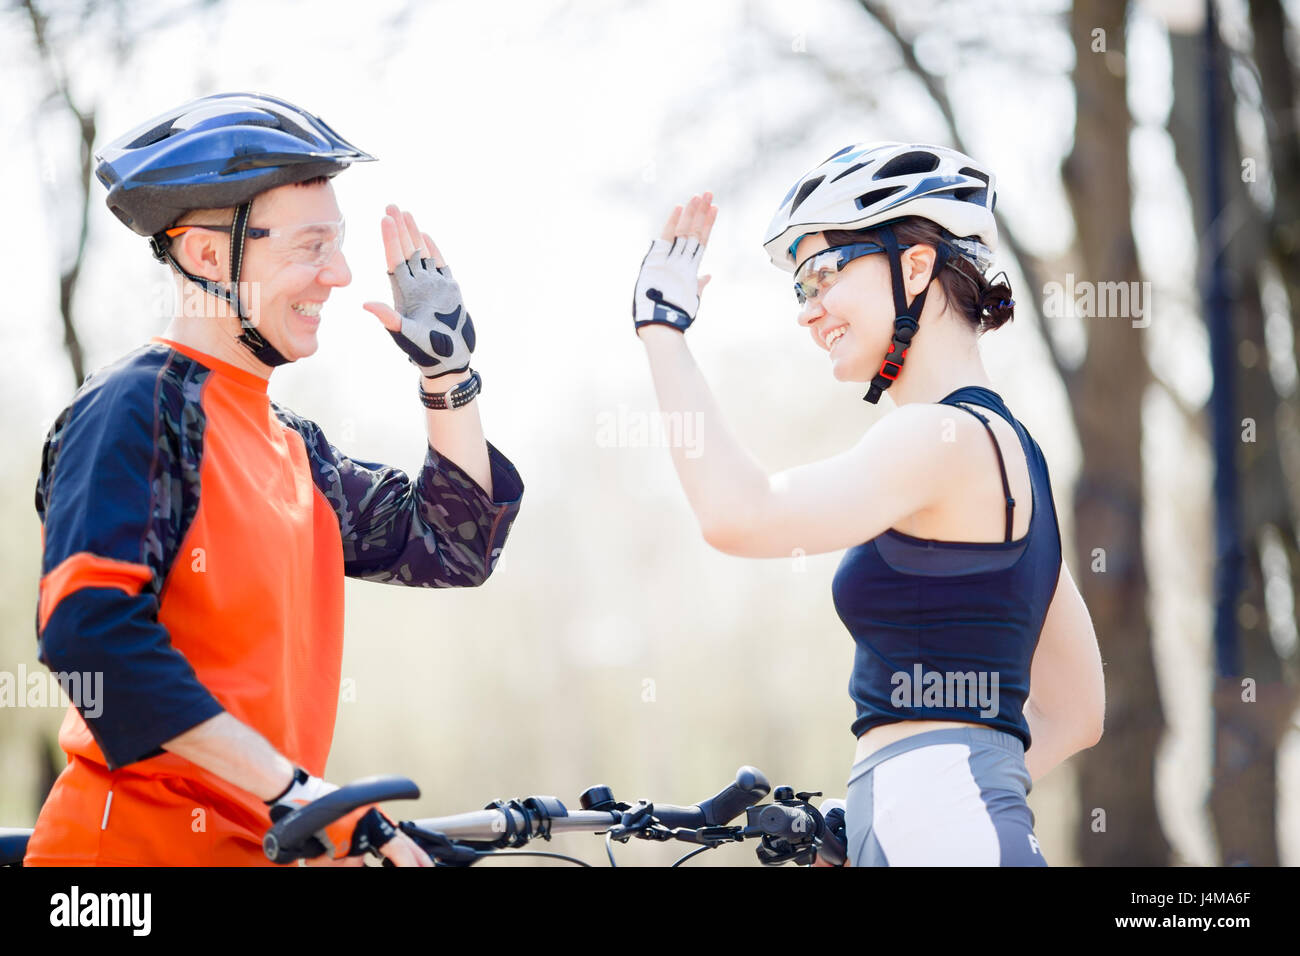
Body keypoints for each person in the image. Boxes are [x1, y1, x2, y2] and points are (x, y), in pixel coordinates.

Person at [25, 92, 524, 866]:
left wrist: (448, 372)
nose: (341, 273)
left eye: (340, 243)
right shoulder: (139, 408)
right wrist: (297, 792)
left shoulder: (295, 447)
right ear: (201, 255)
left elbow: (452, 546)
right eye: (309, 246)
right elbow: (90, 641)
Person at [631, 142, 1105, 866]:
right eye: (799, 289)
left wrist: (661, 331)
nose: (807, 311)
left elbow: (740, 514)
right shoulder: (1013, 458)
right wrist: (881, 807)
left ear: (915, 266)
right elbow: (1076, 713)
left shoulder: (940, 436)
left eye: (821, 274)